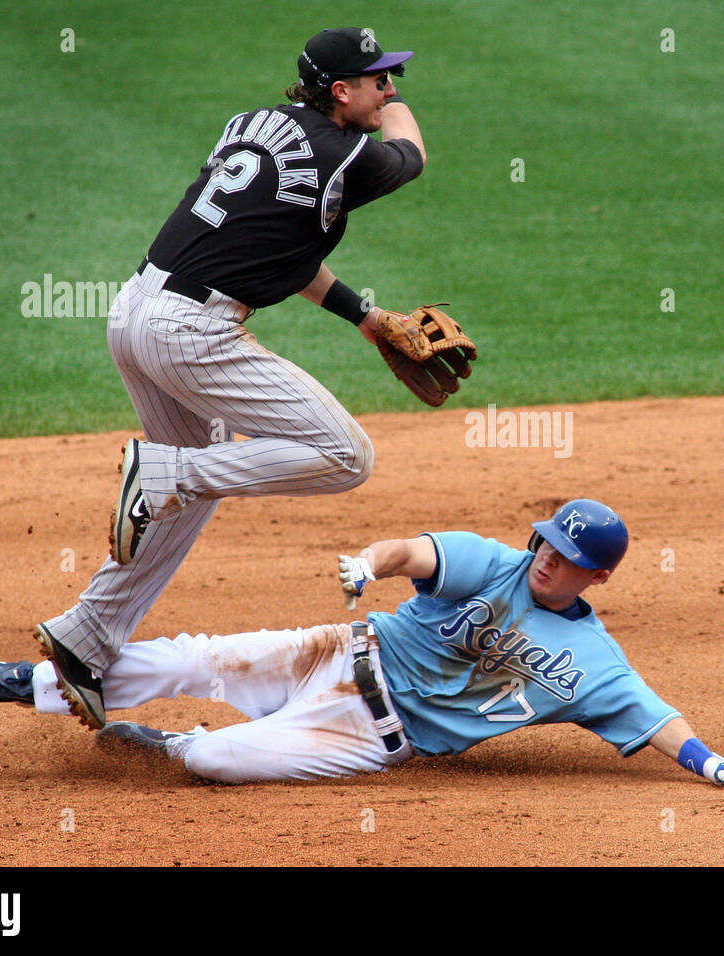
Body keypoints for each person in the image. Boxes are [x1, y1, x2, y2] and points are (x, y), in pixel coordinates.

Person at [35, 27, 432, 732]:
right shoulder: (343, 152)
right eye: (380, 79)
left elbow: (281, 243)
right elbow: (410, 156)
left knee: (198, 481)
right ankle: (165, 476)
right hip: (191, 332)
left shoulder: (257, 126)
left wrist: (366, 319)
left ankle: (87, 635)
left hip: (136, 313)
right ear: (341, 91)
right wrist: (401, 111)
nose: (390, 90)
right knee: (346, 455)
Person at [0, 501, 724, 790]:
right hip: (338, 650)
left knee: (216, 762)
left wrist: (709, 762)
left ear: (595, 578)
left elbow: (654, 716)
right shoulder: (499, 562)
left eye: (566, 560)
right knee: (191, 657)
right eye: (546, 544)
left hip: (368, 738)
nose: (547, 560)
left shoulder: (597, 665)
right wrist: (369, 563)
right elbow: (417, 553)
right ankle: (29, 683)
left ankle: (166, 747)